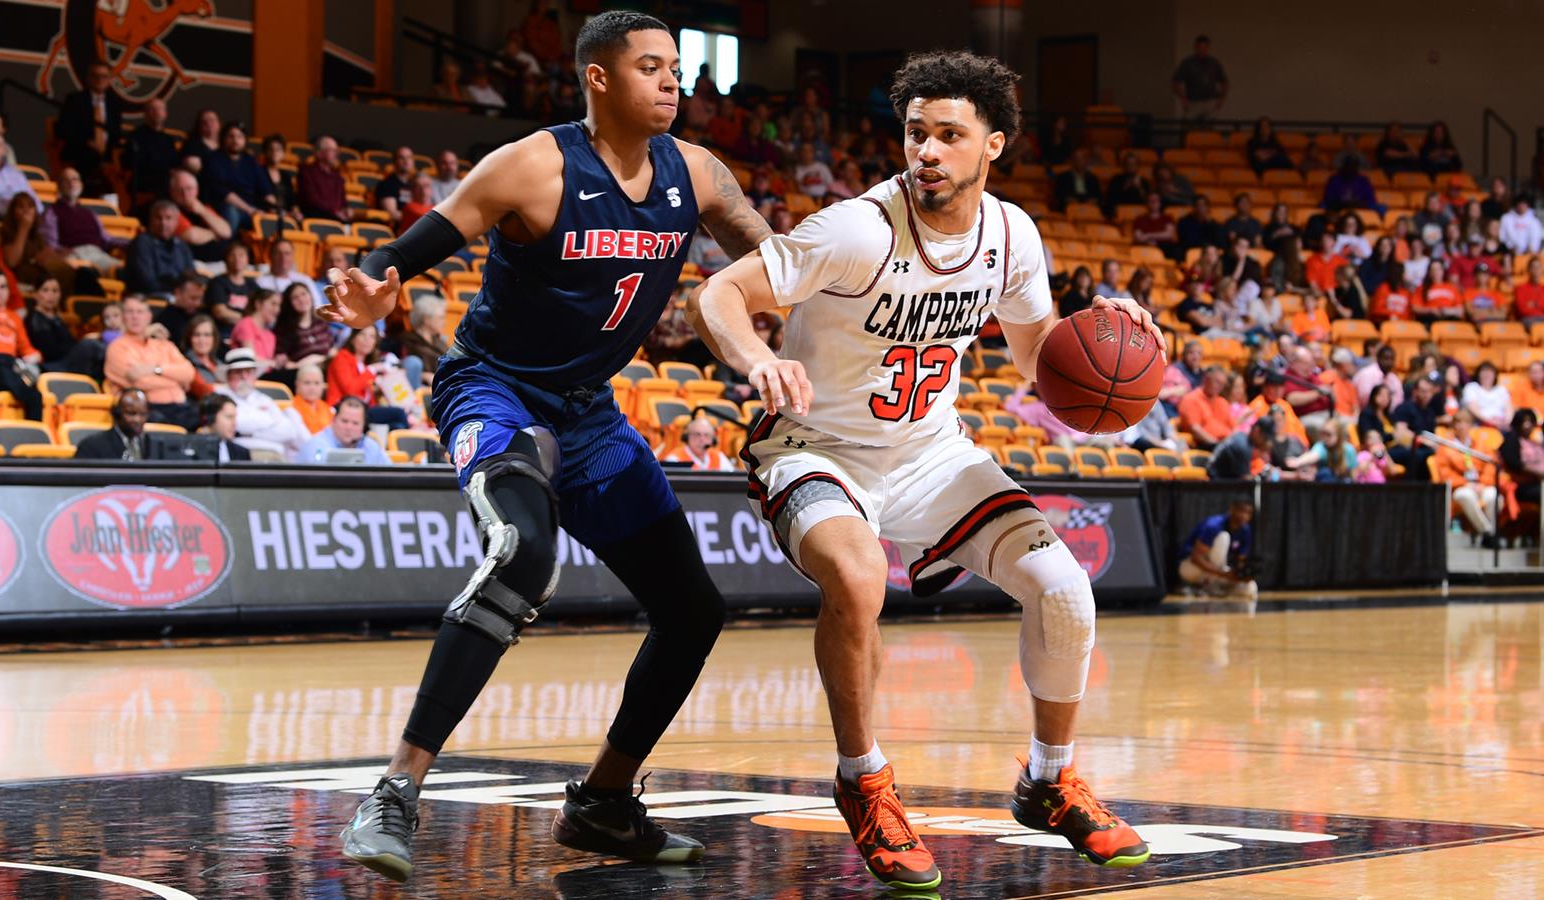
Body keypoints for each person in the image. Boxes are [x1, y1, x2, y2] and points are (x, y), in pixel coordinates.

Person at [321, 12, 776, 880]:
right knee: (523, 553)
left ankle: (603, 801)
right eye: (651, 67)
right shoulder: (534, 165)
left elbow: (775, 255)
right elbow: (409, 247)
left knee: (693, 610)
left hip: (589, 413)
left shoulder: (697, 172)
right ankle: (395, 789)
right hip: (495, 390)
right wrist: (375, 287)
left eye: (675, 68)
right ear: (598, 78)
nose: (672, 82)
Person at [686, 50, 1156, 891]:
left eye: (948, 135)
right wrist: (757, 356)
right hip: (818, 448)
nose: (927, 151)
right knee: (858, 577)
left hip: (932, 453)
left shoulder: (1010, 235)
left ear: (993, 145)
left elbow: (1037, 359)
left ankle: (1050, 782)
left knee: (1063, 589)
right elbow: (717, 294)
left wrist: (1105, 330)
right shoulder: (856, 230)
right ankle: (862, 780)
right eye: (915, 133)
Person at [104, 295, 197, 428]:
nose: (135, 316)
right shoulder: (117, 348)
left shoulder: (164, 345)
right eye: (130, 312)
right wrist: (177, 381)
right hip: (147, 411)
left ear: (149, 317)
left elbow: (189, 373)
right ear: (123, 317)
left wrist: (156, 369)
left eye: (140, 312)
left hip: (182, 407)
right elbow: (140, 382)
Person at [41, 167, 127, 277]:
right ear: (59, 186)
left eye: (75, 179)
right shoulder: (51, 212)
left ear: (81, 185)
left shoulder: (90, 214)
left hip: (96, 253)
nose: (71, 183)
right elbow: (50, 245)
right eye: (66, 180)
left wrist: (132, 243)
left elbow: (107, 239)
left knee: (126, 270)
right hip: (74, 254)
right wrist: (63, 251)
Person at [215, 347, 299, 457]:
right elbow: (238, 424)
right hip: (242, 455)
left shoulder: (264, 399)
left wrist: (251, 433)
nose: (244, 376)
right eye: (238, 372)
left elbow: (289, 431)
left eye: (248, 372)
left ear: (255, 375)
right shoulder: (220, 395)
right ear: (228, 375)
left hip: (276, 455)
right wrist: (269, 421)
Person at [54, 62, 122, 193]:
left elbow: (116, 133)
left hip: (107, 155)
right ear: (88, 78)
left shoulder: (114, 104)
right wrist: (88, 142)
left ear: (110, 80)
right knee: (89, 157)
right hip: (80, 151)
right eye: (95, 76)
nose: (100, 80)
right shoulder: (75, 100)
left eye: (104, 76)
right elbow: (63, 130)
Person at [1435, 410, 1500, 545]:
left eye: (1465, 423)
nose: (1461, 426)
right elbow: (1444, 472)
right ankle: (1488, 532)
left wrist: (1483, 483)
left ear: (1471, 426)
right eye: (1458, 423)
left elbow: (1491, 466)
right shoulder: (1446, 447)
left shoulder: (1480, 445)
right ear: (1453, 426)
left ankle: (1489, 535)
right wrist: (1465, 483)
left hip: (1481, 484)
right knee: (1465, 496)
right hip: (1460, 486)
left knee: (1493, 496)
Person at [202, 121, 276, 236]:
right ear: (224, 138)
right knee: (231, 212)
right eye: (231, 136)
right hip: (224, 207)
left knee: (276, 219)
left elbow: (265, 190)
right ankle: (226, 246)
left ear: (245, 140)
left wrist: (273, 209)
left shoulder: (251, 161)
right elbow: (224, 193)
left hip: (252, 210)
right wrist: (250, 210)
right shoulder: (214, 159)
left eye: (239, 136)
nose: (235, 140)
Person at [0, 267, 42, 419]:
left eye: (3, 287)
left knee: (36, 395)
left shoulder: (15, 317)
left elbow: (27, 349)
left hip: (9, 363)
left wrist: (36, 356)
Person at [126, 201, 198, 297]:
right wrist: (177, 291)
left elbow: (192, 276)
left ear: (176, 222)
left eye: (168, 218)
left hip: (179, 296)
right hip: (148, 296)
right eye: (158, 218)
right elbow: (145, 281)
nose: (163, 223)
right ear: (150, 220)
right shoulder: (141, 243)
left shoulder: (182, 246)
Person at [296, 395, 392, 465]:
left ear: (363, 427)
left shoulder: (371, 446)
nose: (349, 427)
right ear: (333, 420)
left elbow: (390, 475)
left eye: (355, 423)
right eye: (344, 421)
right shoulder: (315, 445)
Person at [120, 98, 179, 209]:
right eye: (153, 109)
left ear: (165, 114)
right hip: (144, 183)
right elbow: (129, 165)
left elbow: (174, 165)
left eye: (160, 109)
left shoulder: (168, 140)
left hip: (166, 183)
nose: (157, 112)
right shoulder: (135, 137)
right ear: (146, 113)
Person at [1499, 407, 1544, 503]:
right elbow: (1513, 463)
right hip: (1520, 485)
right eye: (1524, 421)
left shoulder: (1534, 443)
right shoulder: (1511, 440)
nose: (1527, 425)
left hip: (1543, 483)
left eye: (1530, 422)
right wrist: (1537, 473)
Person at [272, 282, 333, 377]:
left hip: (327, 372)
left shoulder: (321, 323)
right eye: (295, 297)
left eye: (304, 294)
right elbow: (285, 364)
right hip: (301, 376)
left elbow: (332, 350)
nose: (301, 299)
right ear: (289, 303)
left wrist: (319, 360)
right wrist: (306, 363)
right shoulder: (284, 329)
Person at [73, 388, 151, 460]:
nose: (137, 420)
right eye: (131, 413)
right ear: (117, 414)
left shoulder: (153, 445)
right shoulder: (91, 446)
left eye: (143, 414)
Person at [206, 241, 257, 335]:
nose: (237, 259)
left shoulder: (252, 285)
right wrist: (250, 320)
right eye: (232, 255)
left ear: (247, 260)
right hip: (224, 333)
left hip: (250, 333)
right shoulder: (217, 282)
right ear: (226, 259)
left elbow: (260, 311)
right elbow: (220, 312)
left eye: (241, 255)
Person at [1172, 35, 1227, 120]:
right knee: (1189, 125)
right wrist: (1183, 98)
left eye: (1205, 47)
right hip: (1193, 102)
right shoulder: (1188, 63)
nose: (1202, 50)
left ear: (1208, 47)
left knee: (1210, 126)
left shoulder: (1214, 63)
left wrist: (1221, 98)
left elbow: (1224, 82)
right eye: (1200, 47)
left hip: (1210, 101)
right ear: (1195, 47)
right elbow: (1176, 82)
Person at [297, 136, 352, 221]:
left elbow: (343, 202)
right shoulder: (307, 172)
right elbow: (311, 200)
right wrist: (334, 212)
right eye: (332, 150)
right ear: (319, 153)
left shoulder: (337, 176)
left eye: (337, 150)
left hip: (337, 218)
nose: (336, 154)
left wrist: (347, 210)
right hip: (318, 217)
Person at [399, 295, 448, 388]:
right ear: (426, 319)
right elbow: (405, 370)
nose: (444, 322)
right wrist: (423, 375)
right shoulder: (407, 342)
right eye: (441, 318)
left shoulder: (440, 342)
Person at [229, 288, 282, 366]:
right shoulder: (245, 324)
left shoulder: (271, 335)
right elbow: (250, 358)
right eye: (273, 304)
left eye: (279, 305)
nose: (277, 310)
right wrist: (274, 364)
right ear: (258, 304)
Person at [660, 414, 733, 470]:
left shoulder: (719, 457)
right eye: (697, 434)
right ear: (687, 437)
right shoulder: (675, 459)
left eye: (706, 435)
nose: (702, 439)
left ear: (713, 440)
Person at [198, 392, 253, 462]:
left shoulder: (242, 453)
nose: (234, 423)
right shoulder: (189, 450)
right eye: (229, 417)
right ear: (210, 418)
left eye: (234, 418)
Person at [156, 273, 208, 344]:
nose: (198, 303)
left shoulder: (203, 314)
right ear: (178, 293)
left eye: (201, 298)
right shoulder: (164, 320)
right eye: (193, 298)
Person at [283, 364, 333, 438]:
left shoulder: (329, 409)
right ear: (297, 384)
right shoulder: (290, 409)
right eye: (307, 383)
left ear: (323, 386)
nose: (312, 388)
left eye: (317, 383)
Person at [1462, 362, 1513, 430]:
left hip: (1501, 423)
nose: (1487, 375)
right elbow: (1473, 408)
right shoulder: (1472, 387)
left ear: (1495, 375)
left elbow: (1509, 408)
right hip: (1480, 423)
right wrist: (1490, 421)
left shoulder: (1501, 389)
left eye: (1490, 372)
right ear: (1478, 374)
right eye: (1484, 371)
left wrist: (1506, 421)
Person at [374, 146, 418, 224]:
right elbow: (393, 214)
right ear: (394, 161)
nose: (406, 161)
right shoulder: (387, 185)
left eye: (409, 157)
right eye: (401, 158)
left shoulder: (417, 185)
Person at [1354, 344, 1403, 412]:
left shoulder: (1394, 379)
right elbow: (1364, 401)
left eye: (1392, 359)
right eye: (1386, 359)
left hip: (1385, 414)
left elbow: (1399, 401)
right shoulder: (1367, 374)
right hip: (1364, 413)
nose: (1389, 363)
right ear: (1378, 359)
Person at [181, 312, 223, 388]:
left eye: (207, 335)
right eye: (197, 335)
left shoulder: (219, 363)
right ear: (189, 338)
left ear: (214, 338)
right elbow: (201, 387)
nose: (202, 340)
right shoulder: (183, 363)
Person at [1513, 257, 1544, 324]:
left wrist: (1535, 304)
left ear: (1542, 270)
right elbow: (1522, 309)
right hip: (1529, 319)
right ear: (1528, 270)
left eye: (1539, 267)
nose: (1536, 270)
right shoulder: (1520, 289)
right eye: (1533, 267)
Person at [179, 109, 221, 173]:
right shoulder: (192, 144)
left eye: (212, 120)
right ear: (199, 126)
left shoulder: (225, 143)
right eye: (204, 122)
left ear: (219, 123)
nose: (208, 124)